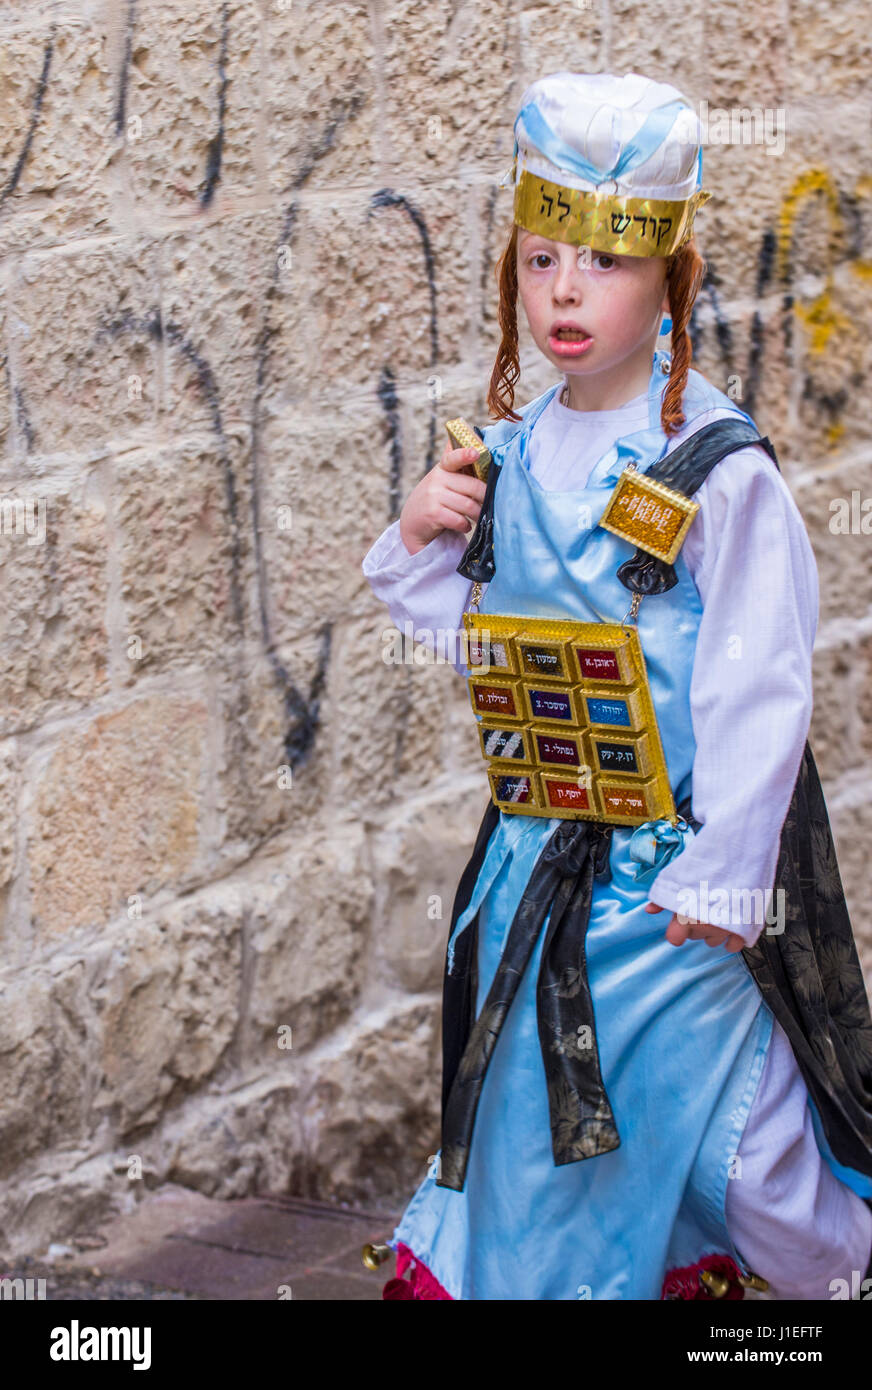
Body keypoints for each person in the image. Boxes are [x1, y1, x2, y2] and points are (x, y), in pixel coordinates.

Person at [361, 70, 872, 1301]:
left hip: (671, 888)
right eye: (539, 261)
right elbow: (483, 638)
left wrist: (727, 869)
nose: (565, 292)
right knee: (539, 1141)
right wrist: (422, 530)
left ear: (667, 281)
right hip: (536, 874)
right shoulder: (516, 449)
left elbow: (759, 682)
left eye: (601, 262)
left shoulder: (712, 468)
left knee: (740, 1153)